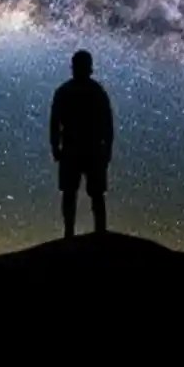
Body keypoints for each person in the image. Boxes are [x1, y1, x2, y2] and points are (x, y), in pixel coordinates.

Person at [49, 49, 114, 238]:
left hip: (83, 148)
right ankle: (86, 231)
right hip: (84, 149)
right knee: (80, 193)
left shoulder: (68, 91)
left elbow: (107, 123)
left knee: (86, 193)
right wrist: (55, 145)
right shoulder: (95, 91)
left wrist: (55, 146)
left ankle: (83, 232)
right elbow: (55, 122)